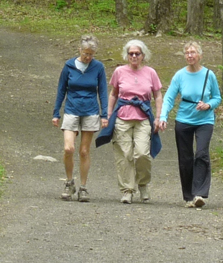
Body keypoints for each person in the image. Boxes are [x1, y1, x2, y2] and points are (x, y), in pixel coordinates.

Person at [96, 39, 164, 204]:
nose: (134, 56)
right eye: (131, 53)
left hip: (143, 118)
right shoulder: (119, 71)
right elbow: (113, 94)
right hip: (122, 117)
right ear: (127, 55)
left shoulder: (150, 73)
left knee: (142, 153)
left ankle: (143, 184)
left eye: (137, 53)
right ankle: (127, 190)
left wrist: (158, 117)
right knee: (124, 154)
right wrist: (108, 114)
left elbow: (158, 95)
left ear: (143, 55)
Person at [158, 41, 221, 208]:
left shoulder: (209, 75)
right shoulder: (179, 75)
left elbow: (217, 97)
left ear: (199, 55)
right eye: (187, 53)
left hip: (205, 120)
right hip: (184, 120)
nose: (190, 55)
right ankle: (188, 196)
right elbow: (169, 98)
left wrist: (208, 105)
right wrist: (163, 116)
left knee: (201, 154)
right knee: (185, 158)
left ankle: (199, 193)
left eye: (193, 52)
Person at [52, 35, 108, 202]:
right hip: (71, 110)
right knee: (69, 148)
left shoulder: (98, 67)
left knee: (84, 151)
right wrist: (56, 113)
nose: (88, 57)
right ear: (79, 50)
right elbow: (61, 89)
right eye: (85, 53)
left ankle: (83, 187)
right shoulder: (69, 66)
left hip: (90, 111)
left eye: (91, 54)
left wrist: (104, 114)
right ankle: (69, 183)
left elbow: (103, 92)